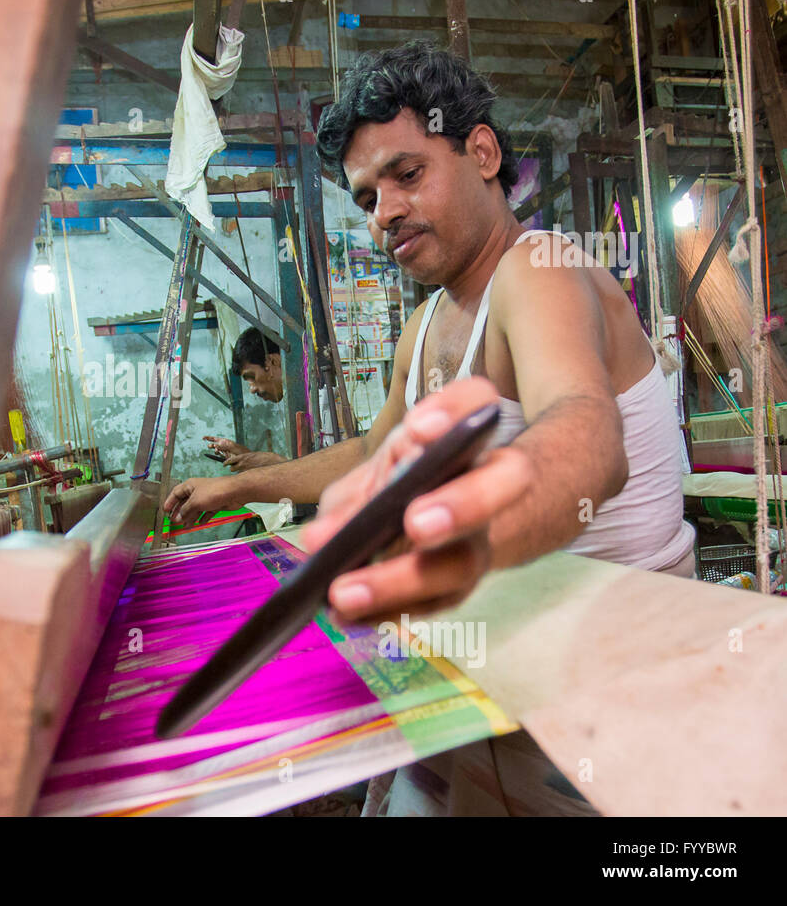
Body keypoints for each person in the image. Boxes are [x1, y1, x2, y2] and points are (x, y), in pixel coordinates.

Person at [163, 40, 697, 813]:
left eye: (406, 174)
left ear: (481, 152)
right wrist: (242, 485)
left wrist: (462, 545)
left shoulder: (540, 272)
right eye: (367, 198)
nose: (386, 214)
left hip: (614, 696)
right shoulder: (427, 328)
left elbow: (584, 439)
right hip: (502, 684)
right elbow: (375, 453)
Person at [203, 327, 287, 472]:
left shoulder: (317, 400)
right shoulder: (294, 405)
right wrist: (245, 455)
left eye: (252, 377)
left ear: (273, 362)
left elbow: (314, 472)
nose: (252, 389)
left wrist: (270, 461)